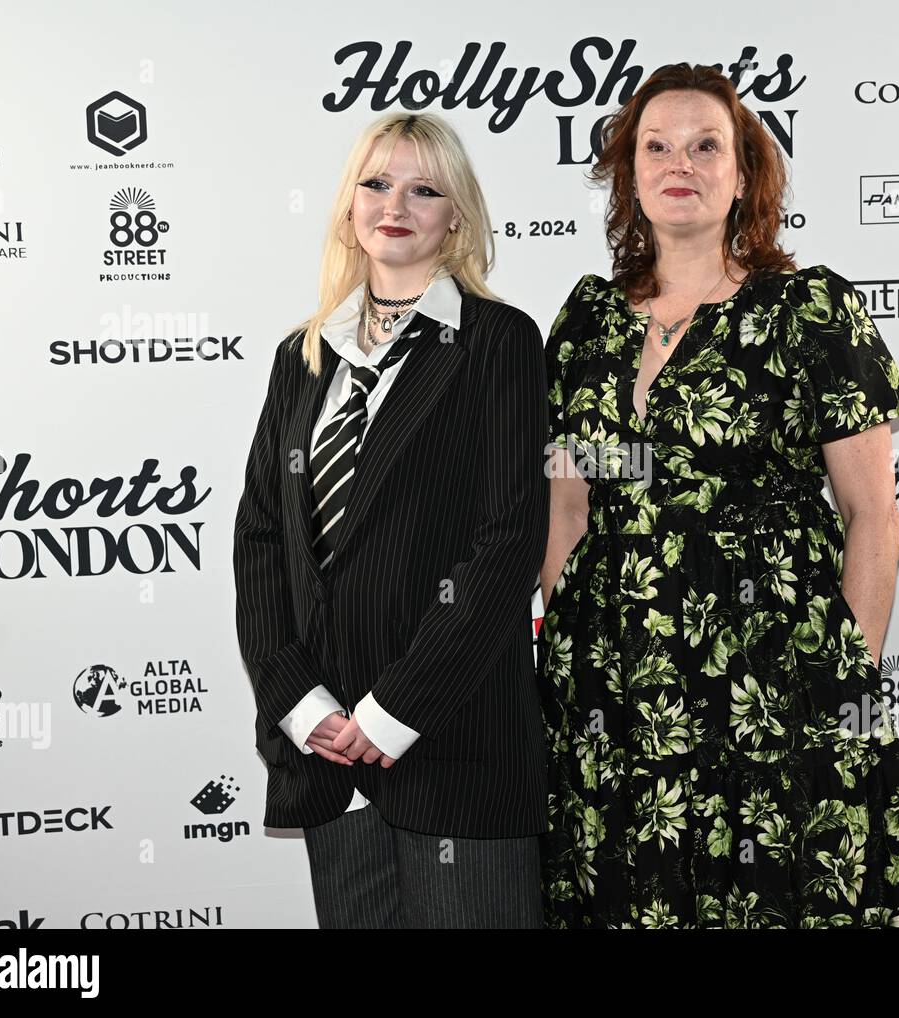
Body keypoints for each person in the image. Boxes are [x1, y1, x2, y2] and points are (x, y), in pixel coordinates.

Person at [536, 64, 899, 928]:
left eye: (705, 145)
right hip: (617, 685)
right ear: (628, 172)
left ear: (745, 174)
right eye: (657, 146)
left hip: (779, 675)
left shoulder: (809, 310)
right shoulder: (585, 320)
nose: (679, 162)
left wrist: (848, 683)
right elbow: (566, 511)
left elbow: (872, 515)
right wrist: (576, 658)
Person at [233, 112, 549, 928]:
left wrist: (390, 712)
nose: (393, 204)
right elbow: (264, 541)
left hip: (454, 746)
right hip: (329, 754)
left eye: (424, 188)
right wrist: (305, 707)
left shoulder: (499, 342)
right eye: (375, 183)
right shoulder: (300, 356)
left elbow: (509, 540)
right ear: (348, 207)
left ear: (458, 218)